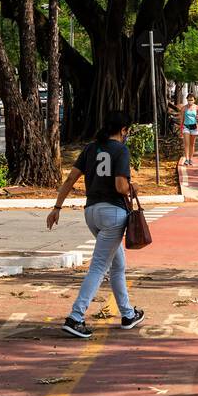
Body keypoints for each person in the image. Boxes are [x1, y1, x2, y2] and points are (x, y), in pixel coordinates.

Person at [47, 109, 144, 339]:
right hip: (113, 213)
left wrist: (57, 207)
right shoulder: (121, 150)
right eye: (127, 130)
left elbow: (71, 179)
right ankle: (75, 317)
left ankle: (128, 314)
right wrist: (133, 188)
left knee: (117, 265)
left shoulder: (91, 148)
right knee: (99, 266)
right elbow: (121, 186)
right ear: (123, 130)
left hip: (91, 212)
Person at [179, 93, 198, 164]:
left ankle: (190, 159)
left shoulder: (197, 108)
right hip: (186, 127)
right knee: (186, 143)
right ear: (187, 100)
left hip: (194, 127)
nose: (190, 101)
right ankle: (186, 159)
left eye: (191, 100)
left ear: (194, 100)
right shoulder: (184, 108)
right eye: (189, 100)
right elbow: (181, 119)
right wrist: (181, 129)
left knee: (192, 144)